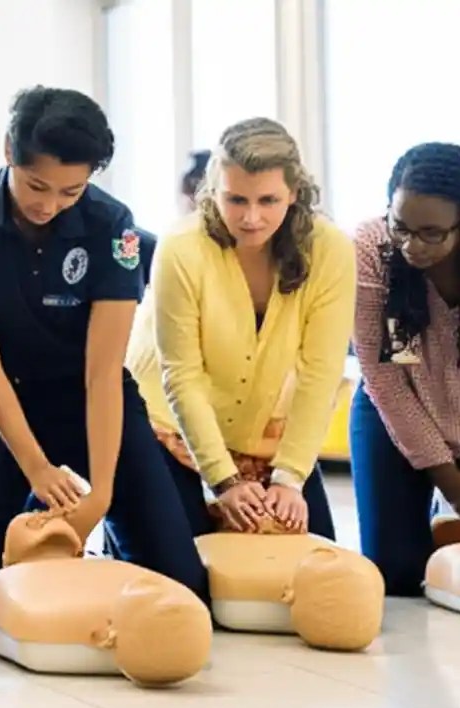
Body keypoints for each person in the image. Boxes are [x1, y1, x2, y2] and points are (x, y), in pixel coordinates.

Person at [0, 85, 207, 623]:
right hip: (4, 401)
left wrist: (99, 494)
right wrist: (37, 469)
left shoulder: (112, 225)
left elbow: (102, 373)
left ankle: (95, 550)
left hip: (92, 400)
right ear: (9, 150)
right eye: (36, 186)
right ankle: (39, 515)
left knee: (181, 586)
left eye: (71, 191)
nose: (49, 205)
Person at [126, 117, 353, 539]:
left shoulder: (331, 249)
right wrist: (224, 481)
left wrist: (289, 477)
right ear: (213, 192)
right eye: (235, 200)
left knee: (313, 563)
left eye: (268, 200)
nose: (251, 218)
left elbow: (320, 372)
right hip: (162, 417)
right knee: (185, 572)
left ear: (295, 194)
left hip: (258, 423)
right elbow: (182, 375)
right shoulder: (181, 248)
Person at [350, 142, 460, 596]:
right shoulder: (375, 247)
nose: (412, 245)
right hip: (394, 408)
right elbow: (387, 378)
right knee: (395, 574)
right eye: (402, 227)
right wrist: (453, 484)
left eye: (432, 232)